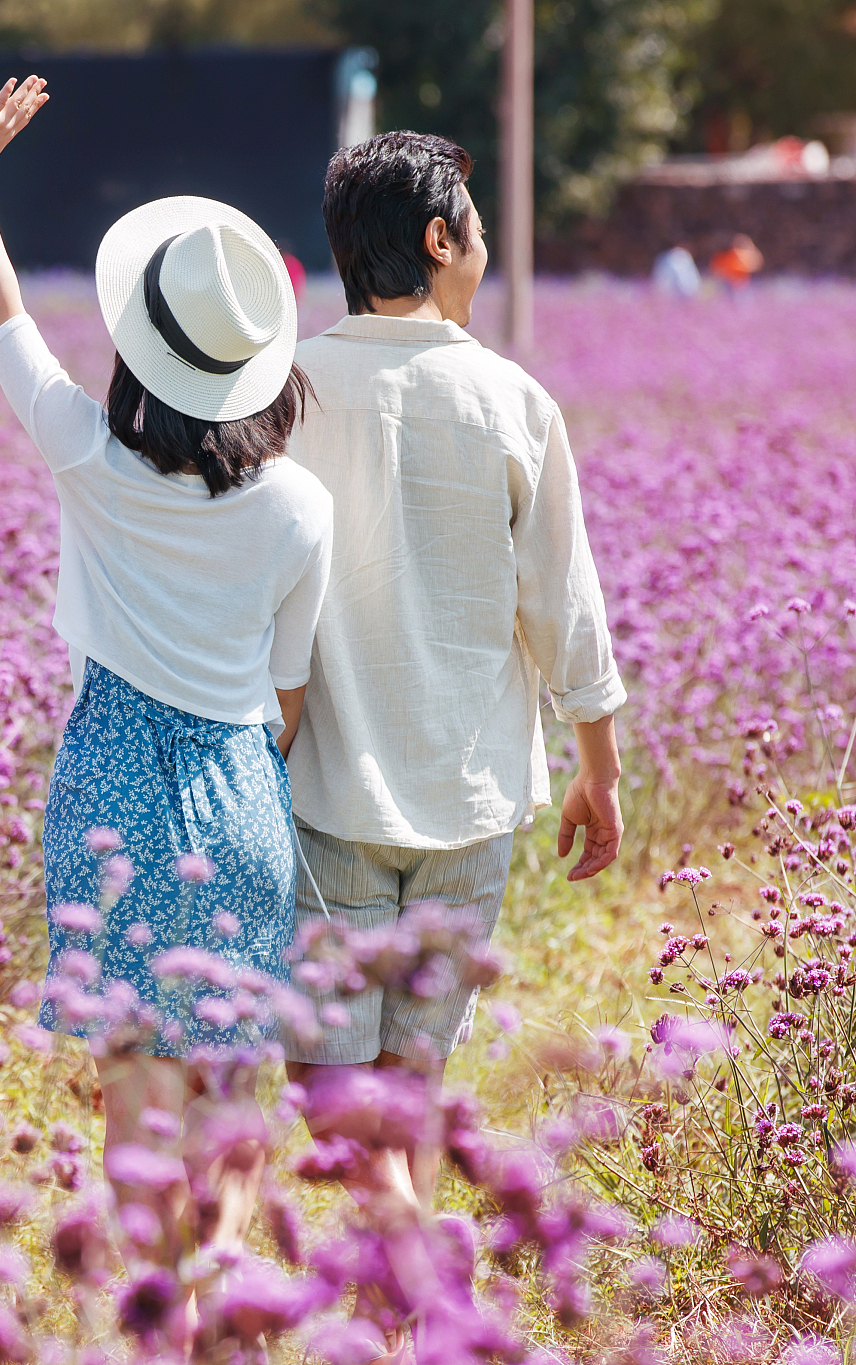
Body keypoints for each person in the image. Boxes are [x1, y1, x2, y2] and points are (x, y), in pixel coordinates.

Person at [0, 75, 334, 1314]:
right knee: (229, 1082)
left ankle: (155, 1315)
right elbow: (287, 693)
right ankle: (225, 1297)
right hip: (237, 798)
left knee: (133, 1071)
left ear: (137, 350)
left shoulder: (88, 455)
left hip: (109, 777)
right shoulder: (297, 507)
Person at [282, 131, 626, 1222]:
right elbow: (561, 606)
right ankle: (409, 1280)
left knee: (328, 1074)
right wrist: (596, 770)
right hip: (468, 791)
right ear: (438, 240)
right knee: (412, 1079)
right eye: (473, 236)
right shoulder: (511, 401)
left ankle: (396, 1276)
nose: (479, 257)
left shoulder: (281, 390)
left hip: (321, 785)